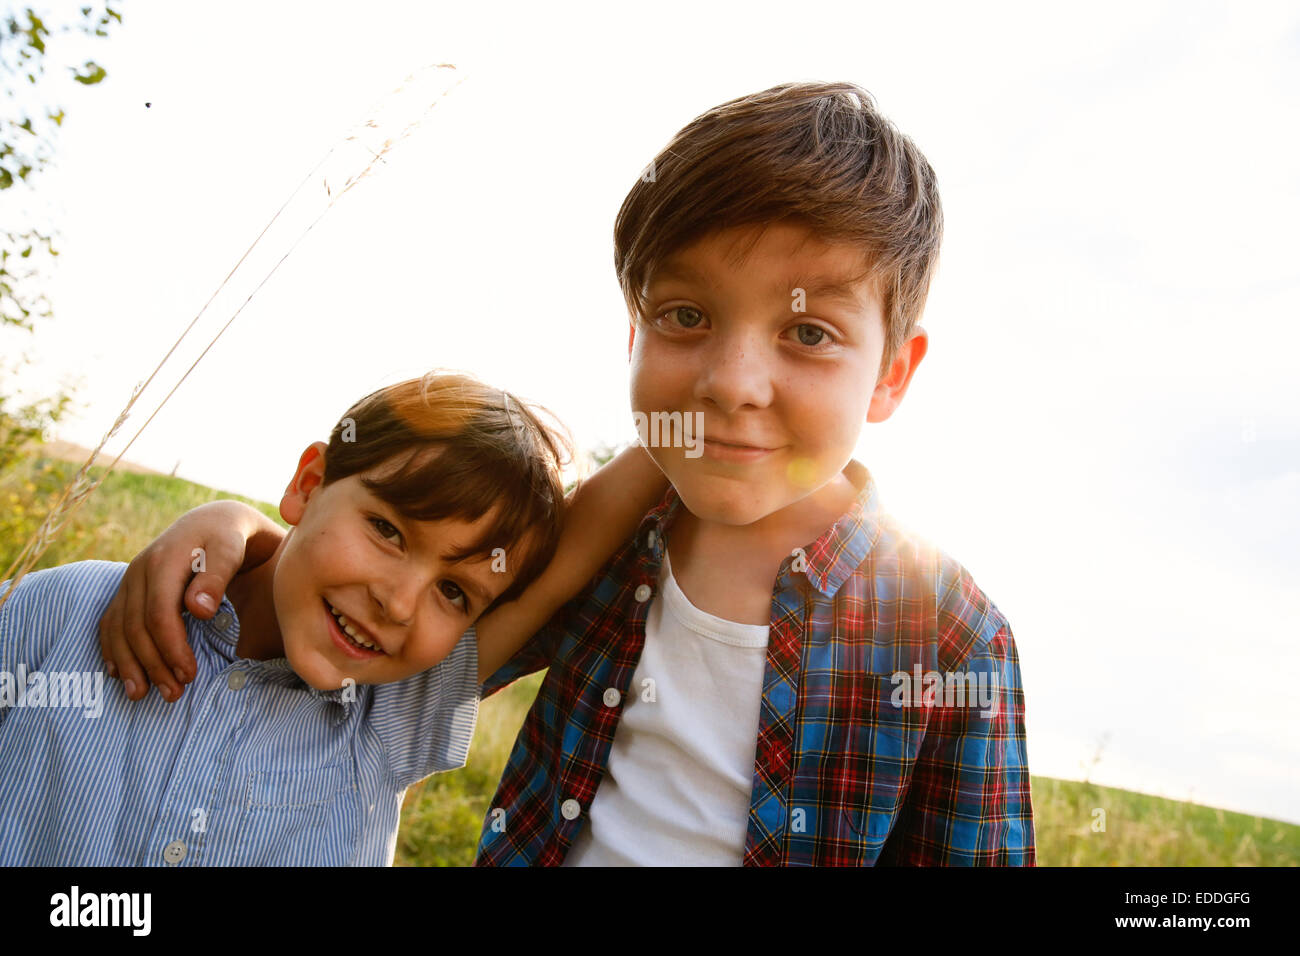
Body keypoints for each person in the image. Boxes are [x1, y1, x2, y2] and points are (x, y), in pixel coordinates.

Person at [99, 81, 1035, 866]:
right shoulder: (606, 549)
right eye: (685, 315)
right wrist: (237, 528)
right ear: (633, 333)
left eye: (809, 333)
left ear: (894, 374)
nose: (731, 383)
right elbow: (388, 622)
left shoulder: (948, 638)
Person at [0, 371, 666, 864]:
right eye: (387, 529)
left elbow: (563, 564)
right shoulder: (66, 610)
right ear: (308, 484)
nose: (399, 603)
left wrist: (698, 410)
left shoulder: (392, 713)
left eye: (455, 592)